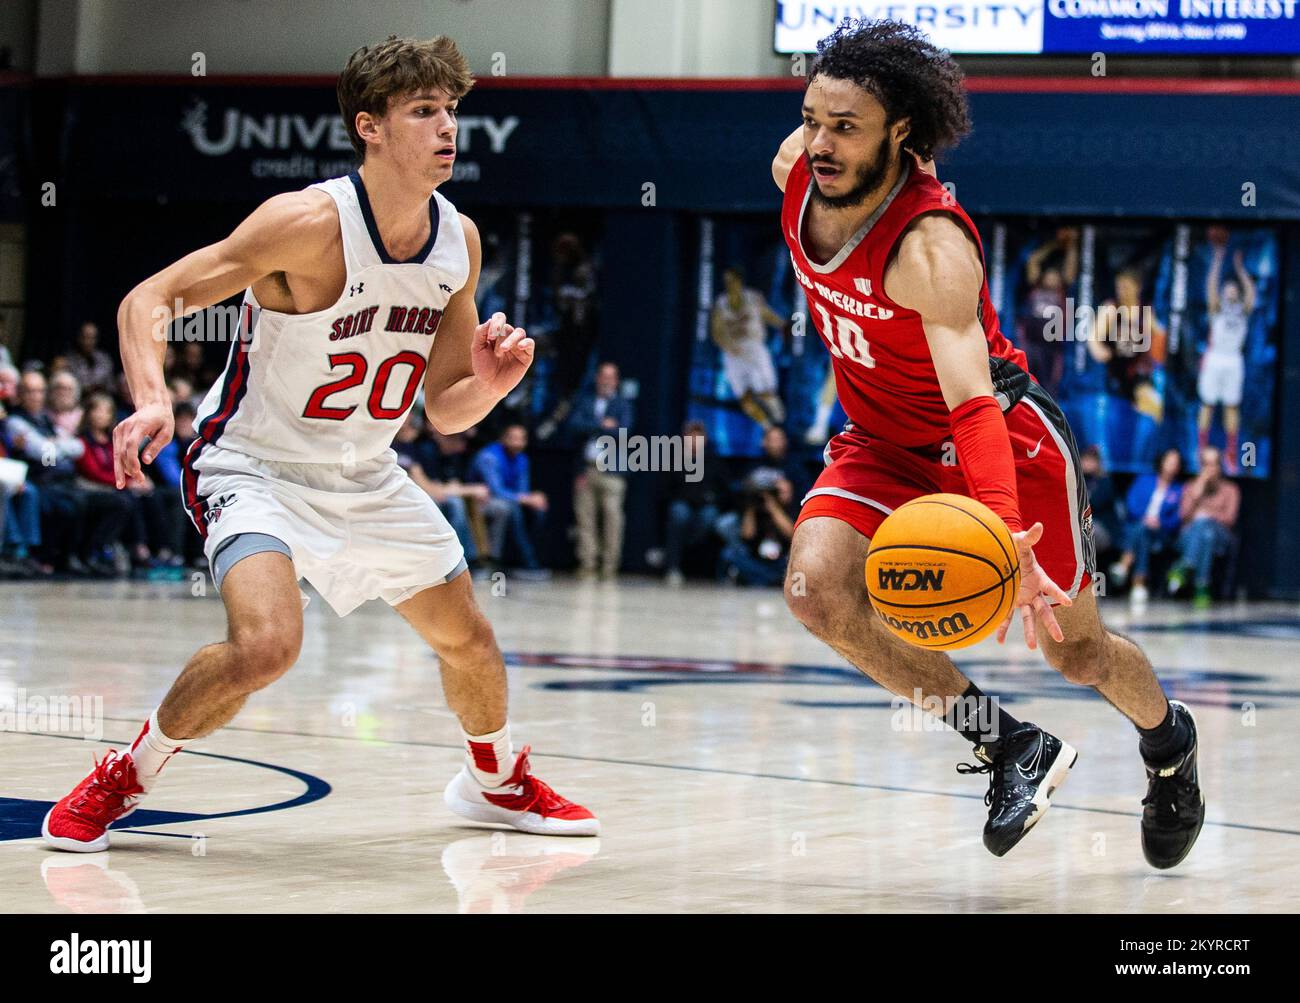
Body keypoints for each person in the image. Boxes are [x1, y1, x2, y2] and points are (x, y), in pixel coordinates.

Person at [42, 35, 597, 853]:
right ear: (369, 127)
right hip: (254, 464)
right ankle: (126, 774)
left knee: (470, 638)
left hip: (364, 471)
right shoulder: (304, 223)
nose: (448, 128)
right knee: (267, 644)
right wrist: (154, 398)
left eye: (452, 111)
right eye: (424, 112)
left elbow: (445, 409)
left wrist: (494, 380)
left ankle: (494, 778)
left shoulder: (459, 243)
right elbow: (149, 297)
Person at [771, 19, 1202, 867]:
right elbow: (820, 128)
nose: (820, 142)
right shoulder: (796, 170)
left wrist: (1003, 529)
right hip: (881, 438)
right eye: (813, 117)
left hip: (995, 436)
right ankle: (1010, 746)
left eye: (846, 127)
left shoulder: (931, 246)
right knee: (814, 591)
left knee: (1074, 651)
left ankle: (1170, 742)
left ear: (901, 134)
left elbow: (970, 401)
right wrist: (832, 113)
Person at [569, 361, 634, 580]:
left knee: (613, 519)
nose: (606, 380)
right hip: (586, 469)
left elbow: (623, 433)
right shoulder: (585, 401)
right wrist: (601, 424)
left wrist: (600, 428)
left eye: (611, 376)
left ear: (616, 380)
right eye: (603, 376)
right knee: (585, 518)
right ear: (597, 378)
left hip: (613, 471)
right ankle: (588, 565)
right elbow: (574, 426)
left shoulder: (623, 405)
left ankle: (609, 567)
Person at [393, 409, 485, 564]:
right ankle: (447, 559)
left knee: (452, 503)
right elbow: (422, 481)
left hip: (419, 490)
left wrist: (441, 489)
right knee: (441, 503)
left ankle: (465, 558)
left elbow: (424, 479)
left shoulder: (415, 445)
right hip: (403, 492)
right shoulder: (412, 446)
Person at [1199, 233, 1254, 475]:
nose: (1229, 290)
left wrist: (1240, 270)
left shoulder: (1243, 310)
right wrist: (1218, 260)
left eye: (1233, 288)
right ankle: (1201, 448)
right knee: (1208, 404)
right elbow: (1210, 287)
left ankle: (1231, 451)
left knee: (1232, 406)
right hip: (1216, 358)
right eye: (1227, 287)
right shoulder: (1217, 308)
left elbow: (1251, 294)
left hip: (1234, 360)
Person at [711, 266, 786, 430]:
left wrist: (784, 325)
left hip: (755, 349)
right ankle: (767, 427)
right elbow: (716, 332)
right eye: (727, 281)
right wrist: (727, 345)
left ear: (739, 281)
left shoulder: (752, 297)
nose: (729, 284)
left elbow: (768, 315)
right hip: (733, 354)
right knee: (745, 400)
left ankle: (777, 413)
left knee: (764, 391)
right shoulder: (721, 303)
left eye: (732, 280)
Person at [472, 423, 549, 578]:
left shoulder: (522, 459)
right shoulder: (489, 456)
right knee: (509, 509)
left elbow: (522, 490)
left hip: (507, 500)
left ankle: (521, 560)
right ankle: (519, 562)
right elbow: (496, 490)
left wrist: (531, 499)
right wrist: (526, 499)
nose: (517, 443)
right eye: (513, 438)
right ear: (503, 439)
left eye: (521, 439)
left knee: (538, 510)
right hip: (478, 501)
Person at [1110, 447, 1184, 609]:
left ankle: (1124, 564)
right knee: (1141, 532)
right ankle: (1139, 582)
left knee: (1141, 531)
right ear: (1162, 462)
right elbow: (1131, 503)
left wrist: (1161, 523)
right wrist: (1145, 518)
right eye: (1169, 461)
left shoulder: (1179, 490)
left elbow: (1178, 517)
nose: (1172, 465)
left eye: (1176, 463)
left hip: (1162, 533)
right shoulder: (1144, 481)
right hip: (1139, 525)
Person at [1167, 445, 1239, 609]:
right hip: (1188, 537)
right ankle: (1202, 586)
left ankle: (1185, 566)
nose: (1209, 469)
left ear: (1220, 466)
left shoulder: (1230, 489)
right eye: (1205, 464)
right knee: (1206, 534)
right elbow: (1184, 516)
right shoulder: (1191, 486)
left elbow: (1230, 519)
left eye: (1213, 464)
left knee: (1207, 529)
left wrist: (1207, 515)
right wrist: (1198, 488)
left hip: (1220, 537)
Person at [661, 420, 729, 587]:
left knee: (709, 515)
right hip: (682, 505)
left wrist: (709, 498)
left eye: (698, 437)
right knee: (679, 513)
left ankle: (692, 551)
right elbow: (665, 489)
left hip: (705, 508)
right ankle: (673, 568)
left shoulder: (713, 460)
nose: (694, 440)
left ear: (704, 439)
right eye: (690, 436)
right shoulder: (674, 459)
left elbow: (723, 490)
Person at [63, 322, 117, 397]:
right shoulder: (69, 360)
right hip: (78, 401)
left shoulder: (104, 359)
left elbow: (111, 387)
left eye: (92, 338)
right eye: (86, 337)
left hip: (101, 400)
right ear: (79, 338)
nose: (88, 342)